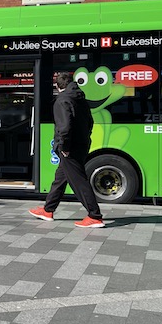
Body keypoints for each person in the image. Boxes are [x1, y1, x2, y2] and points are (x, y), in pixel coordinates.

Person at [29, 71, 105, 228]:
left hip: (70, 147)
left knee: (79, 180)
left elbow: (64, 127)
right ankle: (48, 210)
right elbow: (90, 122)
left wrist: (64, 146)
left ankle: (94, 215)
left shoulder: (62, 100)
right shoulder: (80, 99)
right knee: (60, 178)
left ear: (57, 86)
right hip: (82, 143)